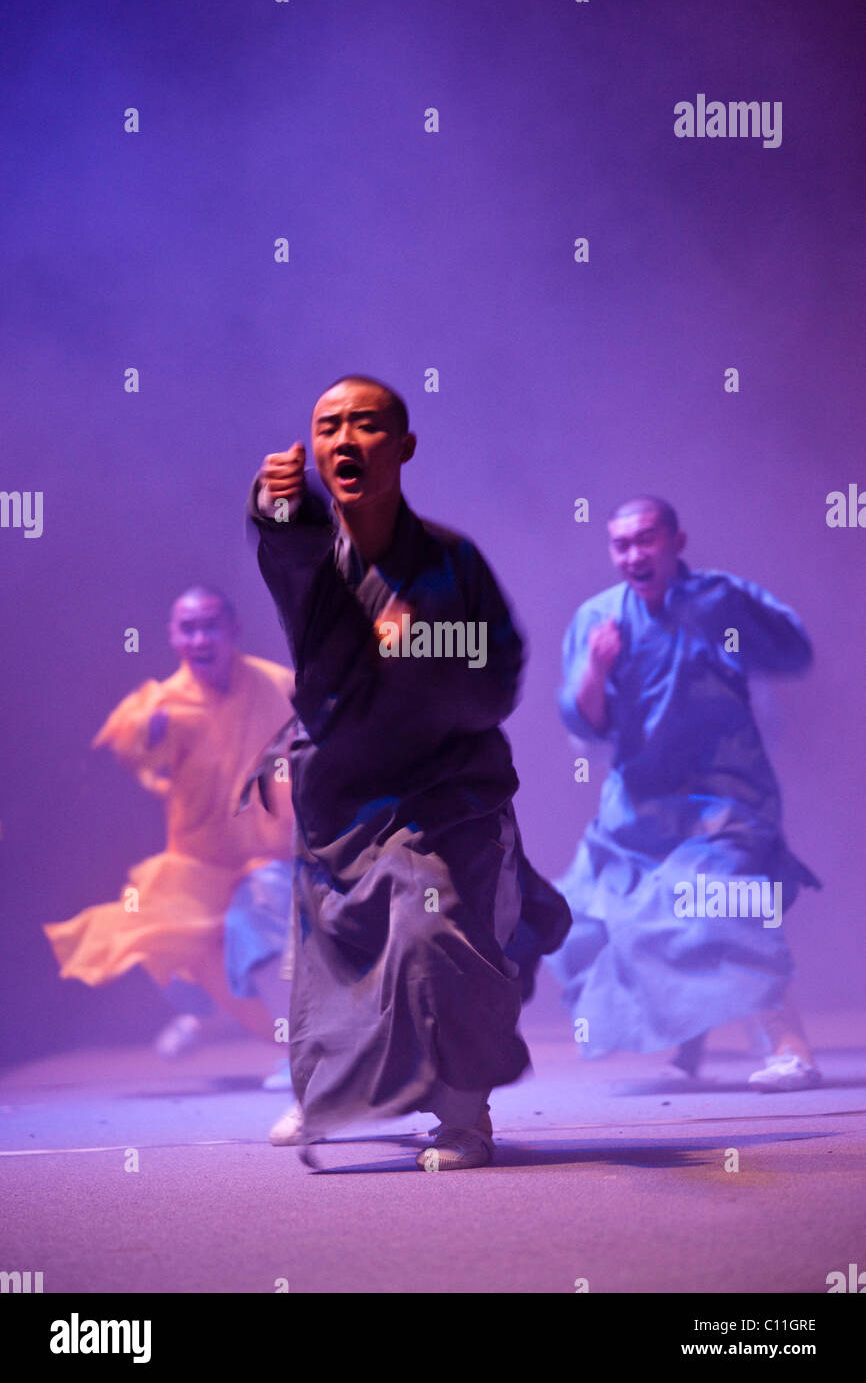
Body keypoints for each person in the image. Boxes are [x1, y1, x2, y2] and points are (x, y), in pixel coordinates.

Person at [248, 375, 570, 1169]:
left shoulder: (454, 560)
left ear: (404, 445)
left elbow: (502, 671)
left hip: (446, 794)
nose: (345, 439)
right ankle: (324, 1093)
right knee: (336, 951)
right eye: (329, 427)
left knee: (437, 933)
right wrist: (275, 506)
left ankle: (464, 1117)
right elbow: (287, 547)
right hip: (343, 799)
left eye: (365, 424)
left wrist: (426, 645)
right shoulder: (315, 560)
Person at [548, 496, 821, 1091]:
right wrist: (596, 668)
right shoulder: (598, 618)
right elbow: (582, 719)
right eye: (621, 545)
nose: (633, 555)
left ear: (677, 542)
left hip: (726, 801)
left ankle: (791, 1047)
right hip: (638, 813)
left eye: (646, 540)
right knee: (593, 924)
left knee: (722, 903)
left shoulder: (721, 598)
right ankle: (691, 1044)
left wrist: (736, 614)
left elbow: (793, 652)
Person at [45, 587, 296, 1078]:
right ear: (173, 636)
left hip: (269, 857)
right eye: (188, 628)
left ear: (232, 630)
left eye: (210, 626)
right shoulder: (162, 705)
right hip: (197, 868)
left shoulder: (278, 686)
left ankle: (300, 1055)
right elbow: (133, 745)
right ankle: (208, 1017)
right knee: (168, 946)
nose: (199, 638)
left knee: (258, 931)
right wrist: (149, 736)